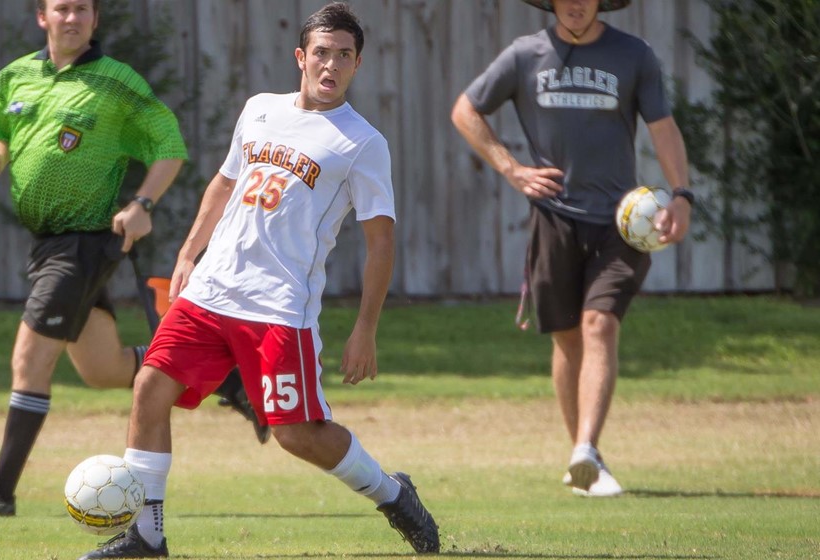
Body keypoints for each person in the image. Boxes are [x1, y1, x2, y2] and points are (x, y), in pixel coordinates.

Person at [76, 3, 440, 558]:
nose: (331, 65)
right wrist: (189, 253)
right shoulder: (259, 109)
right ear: (301, 56)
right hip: (210, 292)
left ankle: (392, 494)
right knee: (150, 387)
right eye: (321, 52)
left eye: (344, 55)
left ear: (357, 64)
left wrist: (365, 328)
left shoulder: (362, 143)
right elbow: (224, 185)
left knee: (296, 434)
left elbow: (381, 242)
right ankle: (146, 535)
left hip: (278, 309)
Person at [0, 0, 265, 518]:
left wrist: (142, 204)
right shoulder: (13, 78)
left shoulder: (117, 82)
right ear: (42, 17)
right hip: (47, 246)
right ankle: (228, 378)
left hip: (83, 245)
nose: (72, 18)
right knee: (102, 369)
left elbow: (169, 146)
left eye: (82, 9)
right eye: (62, 8)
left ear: (95, 19)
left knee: (28, 361)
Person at [451, 0, 693, 497]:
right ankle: (583, 460)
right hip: (553, 219)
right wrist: (511, 169)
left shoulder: (634, 55)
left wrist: (683, 195)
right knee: (566, 338)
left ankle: (586, 450)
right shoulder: (524, 55)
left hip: (621, 224)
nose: (576, 3)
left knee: (599, 324)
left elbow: (663, 128)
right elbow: (465, 110)